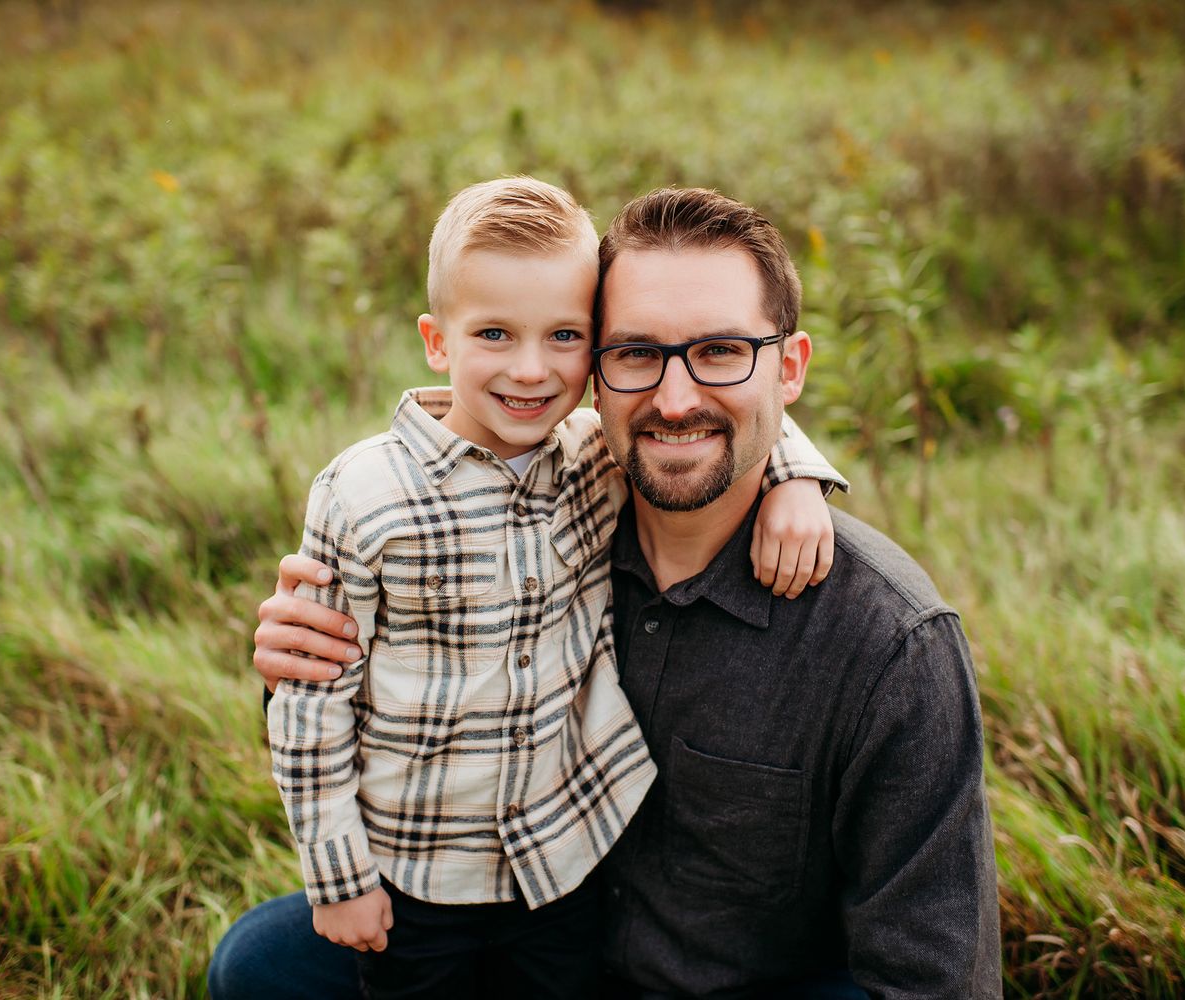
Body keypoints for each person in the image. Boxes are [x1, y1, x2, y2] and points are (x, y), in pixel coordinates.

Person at [251, 177, 847, 1000]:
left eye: (565, 336)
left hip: (563, 856)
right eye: (494, 333)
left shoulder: (591, 456)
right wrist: (337, 872)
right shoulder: (363, 498)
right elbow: (310, 703)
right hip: (419, 869)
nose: (531, 371)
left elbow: (715, 410)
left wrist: (794, 478)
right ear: (436, 340)